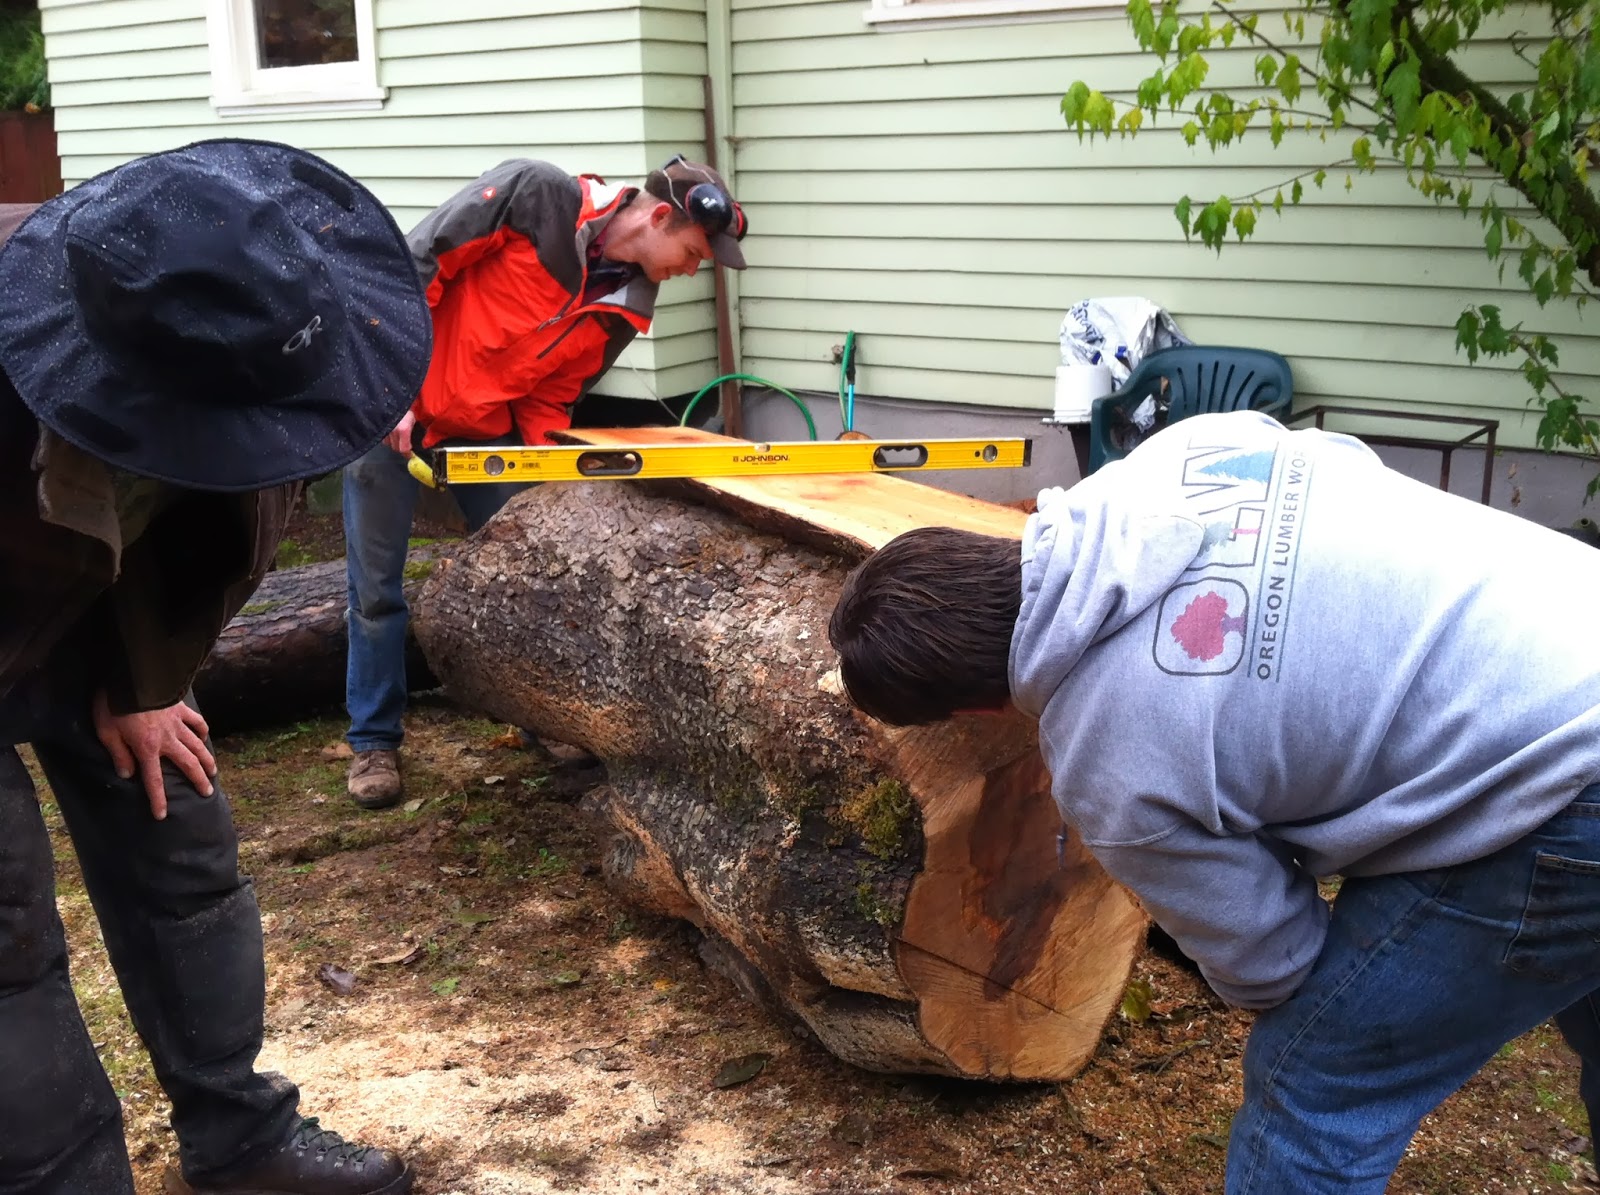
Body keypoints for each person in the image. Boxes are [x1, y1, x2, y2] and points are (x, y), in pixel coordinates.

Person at [825, 408, 1600, 1195]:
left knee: (1315, 1084)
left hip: (1558, 781)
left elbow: (1278, 960)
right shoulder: (1178, 454)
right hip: (1574, 614)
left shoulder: (1109, 763)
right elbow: (1342, 461)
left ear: (973, 713)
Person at [0, 138, 433, 1195]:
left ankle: (240, 1137)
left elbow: (233, 523)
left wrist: (147, 684)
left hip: (85, 590)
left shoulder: (267, 315)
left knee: (179, 832)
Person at [343, 154, 749, 809]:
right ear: (661, 216)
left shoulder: (628, 302)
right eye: (695, 251)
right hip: (392, 410)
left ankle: (542, 717)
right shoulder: (539, 197)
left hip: (484, 433)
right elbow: (417, 267)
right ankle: (373, 741)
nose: (693, 269)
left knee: (528, 577)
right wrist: (392, 385)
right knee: (376, 589)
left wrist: (550, 476)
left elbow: (556, 392)